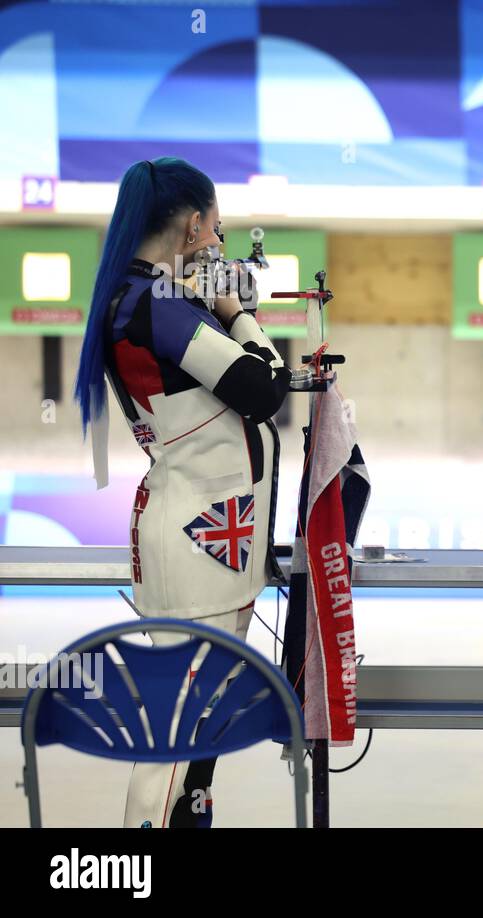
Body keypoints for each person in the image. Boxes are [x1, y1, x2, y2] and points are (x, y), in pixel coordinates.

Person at [74, 157, 289, 827]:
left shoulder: (148, 299)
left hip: (209, 536)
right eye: (217, 231)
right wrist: (237, 310)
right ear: (194, 225)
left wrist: (216, 300)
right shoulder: (155, 304)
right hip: (201, 543)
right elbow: (264, 388)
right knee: (175, 743)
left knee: (197, 744)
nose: (220, 245)